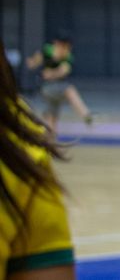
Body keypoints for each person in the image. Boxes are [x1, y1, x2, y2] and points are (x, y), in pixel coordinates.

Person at [0, 38, 75, 279]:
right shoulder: (16, 145)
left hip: (56, 89)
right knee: (50, 118)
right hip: (51, 92)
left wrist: (48, 72)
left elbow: (61, 69)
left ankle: (81, 116)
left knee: (53, 115)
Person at [25, 34, 93, 134]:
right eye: (65, 46)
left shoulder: (67, 57)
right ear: (58, 44)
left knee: (52, 119)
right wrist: (33, 62)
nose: (67, 49)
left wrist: (51, 73)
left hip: (57, 87)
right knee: (70, 91)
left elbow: (64, 71)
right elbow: (33, 63)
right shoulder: (47, 51)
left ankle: (49, 141)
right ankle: (86, 115)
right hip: (47, 87)